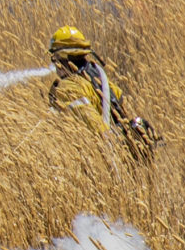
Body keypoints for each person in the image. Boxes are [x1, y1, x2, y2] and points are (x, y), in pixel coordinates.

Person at [46, 25, 158, 160]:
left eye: (54, 59)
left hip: (103, 158)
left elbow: (95, 129)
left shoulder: (68, 87)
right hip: (121, 156)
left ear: (62, 58)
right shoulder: (99, 76)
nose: (54, 65)